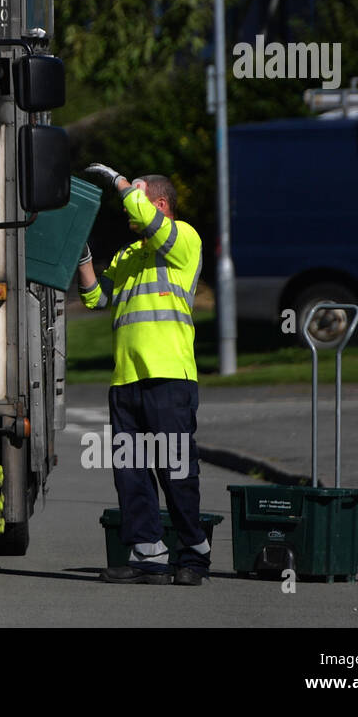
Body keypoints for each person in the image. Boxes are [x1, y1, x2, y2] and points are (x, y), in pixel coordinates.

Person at [77, 164, 209, 585]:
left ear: (160, 204)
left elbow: (142, 211)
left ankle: (194, 555)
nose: (128, 206)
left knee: (176, 471)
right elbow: (98, 298)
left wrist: (119, 181)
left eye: (137, 196)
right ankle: (148, 553)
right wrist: (81, 257)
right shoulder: (128, 254)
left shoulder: (184, 239)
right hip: (126, 381)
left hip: (170, 377)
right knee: (131, 473)